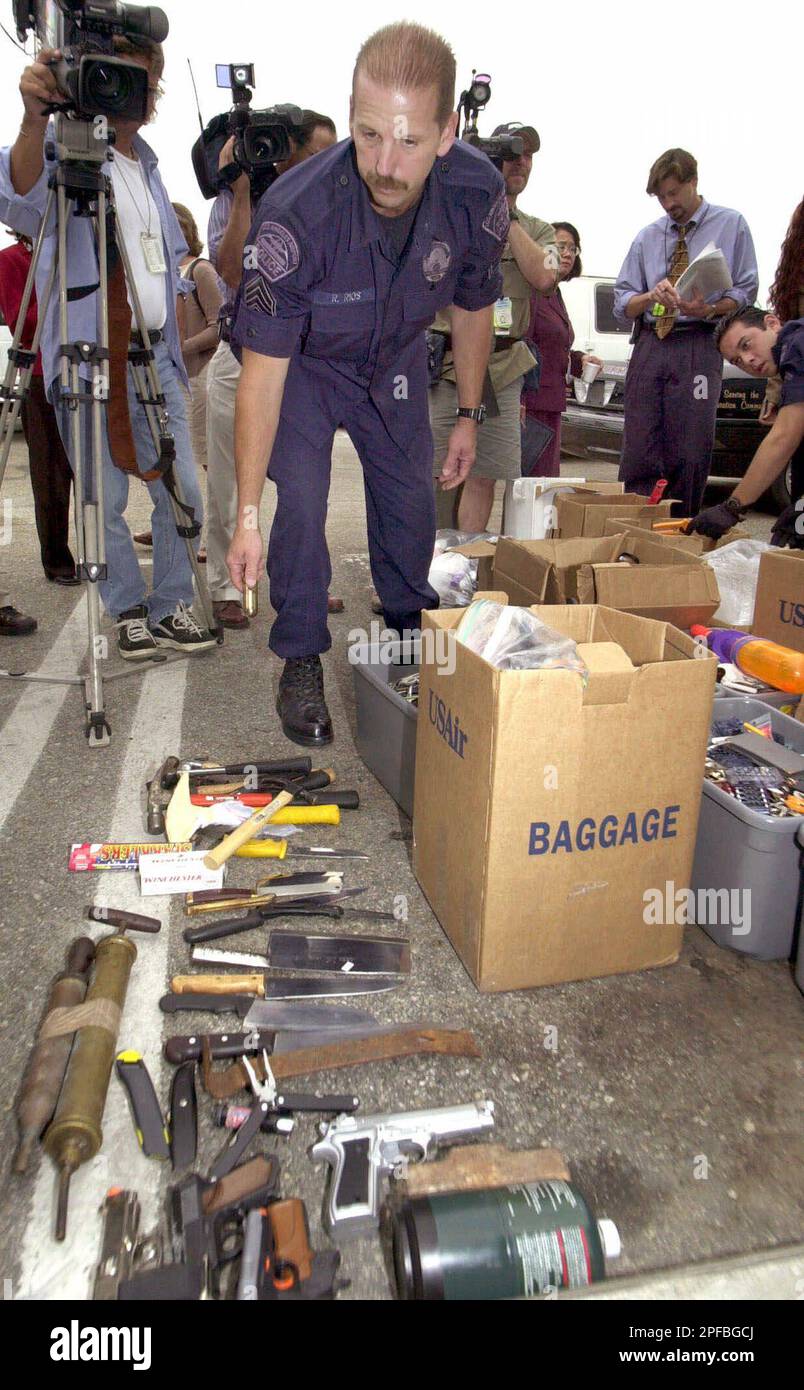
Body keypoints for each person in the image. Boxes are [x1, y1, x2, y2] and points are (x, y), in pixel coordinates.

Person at [227, 21, 506, 747]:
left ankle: (409, 625)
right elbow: (261, 374)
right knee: (303, 503)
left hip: (396, 362)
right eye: (369, 133)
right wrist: (246, 510)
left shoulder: (477, 193)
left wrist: (470, 414)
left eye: (410, 141)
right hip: (306, 368)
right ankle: (300, 655)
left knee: (411, 497)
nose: (385, 163)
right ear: (350, 114)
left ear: (447, 132)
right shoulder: (297, 213)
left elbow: (476, 303)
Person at [0, 36, 215, 660]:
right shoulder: (64, 149)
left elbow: (168, 264)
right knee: (103, 500)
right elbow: (16, 194)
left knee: (183, 491)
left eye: (144, 81)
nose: (134, 93)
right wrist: (32, 116)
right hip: (88, 355)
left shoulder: (147, 165)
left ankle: (172, 604)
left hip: (156, 357)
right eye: (118, 76)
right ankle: (126, 609)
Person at [206, 110, 339, 629]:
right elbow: (233, 270)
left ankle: (302, 583)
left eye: (332, 155)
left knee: (305, 486)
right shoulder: (240, 197)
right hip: (242, 352)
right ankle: (225, 583)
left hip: (303, 363)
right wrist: (242, 194)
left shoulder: (334, 207)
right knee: (231, 483)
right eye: (311, 155)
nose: (323, 166)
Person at [614, 148, 758, 514]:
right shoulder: (647, 237)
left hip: (699, 340)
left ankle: (680, 530)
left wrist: (708, 308)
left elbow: (745, 291)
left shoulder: (732, 224)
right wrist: (649, 295)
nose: (668, 203)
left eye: (674, 192)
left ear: (694, 182)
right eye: (661, 196)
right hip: (650, 343)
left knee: (690, 449)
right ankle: (635, 528)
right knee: (640, 445)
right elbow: (622, 301)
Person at [429, 120, 557, 530]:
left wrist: (505, 212)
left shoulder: (538, 229)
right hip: (447, 364)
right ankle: (420, 574)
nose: (520, 162)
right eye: (510, 154)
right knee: (433, 472)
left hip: (502, 369)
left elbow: (544, 276)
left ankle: (462, 571)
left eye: (528, 155)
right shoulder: (453, 213)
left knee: (484, 476)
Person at [133, 203, 222, 555]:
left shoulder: (201, 271)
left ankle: (210, 537)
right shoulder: (158, 269)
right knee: (164, 458)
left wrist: (178, 347)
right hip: (164, 378)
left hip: (196, 378)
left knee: (204, 461)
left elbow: (220, 325)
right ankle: (170, 524)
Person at [687, 307, 804, 547]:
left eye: (747, 344)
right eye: (737, 360)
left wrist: (732, 507)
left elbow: (784, 437)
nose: (748, 360)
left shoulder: (798, 345)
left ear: (772, 323)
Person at [0, 231, 76, 583]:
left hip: (82, 369)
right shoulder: (11, 259)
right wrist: (61, 300)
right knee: (50, 472)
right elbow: (19, 321)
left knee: (91, 470)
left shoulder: (73, 253)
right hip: (41, 372)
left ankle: (100, 553)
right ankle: (57, 559)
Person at [520, 221, 602, 477]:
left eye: (573, 248)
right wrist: (519, 400)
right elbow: (521, 346)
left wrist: (579, 361)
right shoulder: (532, 292)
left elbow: (553, 345)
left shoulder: (554, 293)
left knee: (544, 486)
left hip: (552, 404)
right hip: (532, 406)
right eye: (561, 246)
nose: (567, 253)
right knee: (533, 488)